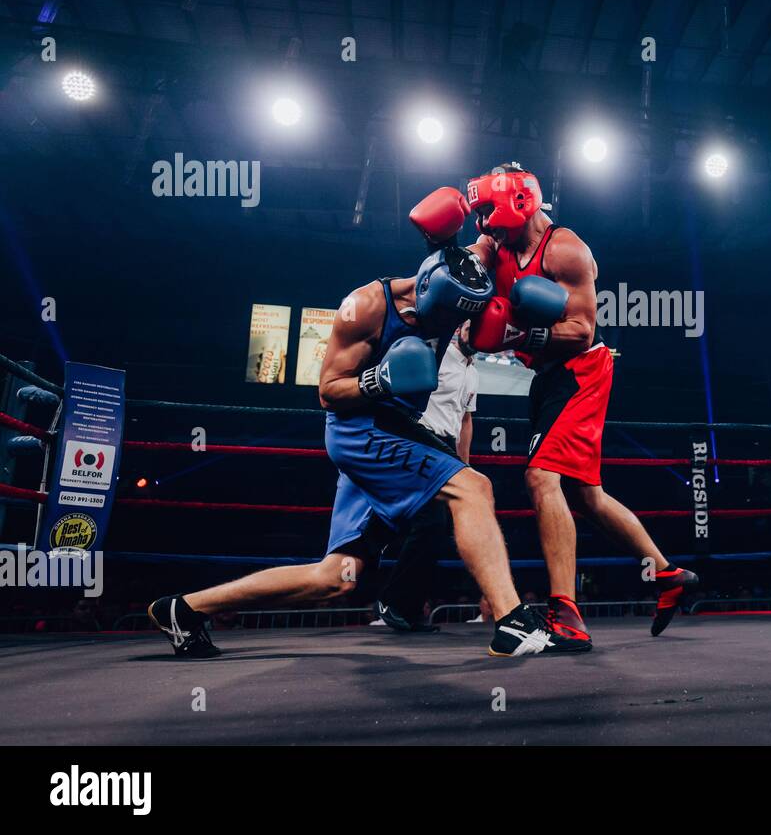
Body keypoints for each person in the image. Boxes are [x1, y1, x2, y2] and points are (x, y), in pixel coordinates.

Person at [148, 188, 588, 659]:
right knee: (473, 487)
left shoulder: (461, 276)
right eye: (435, 321)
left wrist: (498, 207)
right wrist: (380, 380)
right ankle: (511, 620)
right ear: (420, 294)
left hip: (394, 426)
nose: (442, 332)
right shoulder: (364, 308)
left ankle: (186, 610)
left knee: (337, 577)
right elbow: (328, 392)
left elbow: (493, 237)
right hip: (359, 429)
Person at [416, 164, 697, 644]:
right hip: (546, 375)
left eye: (487, 211)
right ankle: (669, 576)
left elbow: (582, 331)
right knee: (586, 495)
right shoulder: (495, 242)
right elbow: (467, 268)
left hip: (581, 370)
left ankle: (566, 612)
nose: (482, 223)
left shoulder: (566, 251)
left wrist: (516, 334)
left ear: (519, 202)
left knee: (540, 476)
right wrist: (441, 248)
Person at [374, 323, 479, 633]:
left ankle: (407, 608)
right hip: (421, 438)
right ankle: (393, 601)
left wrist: (465, 465)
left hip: (446, 449)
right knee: (430, 523)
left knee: (437, 528)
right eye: (474, 329)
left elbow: (466, 419)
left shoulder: (473, 371)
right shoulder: (436, 353)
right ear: (460, 327)